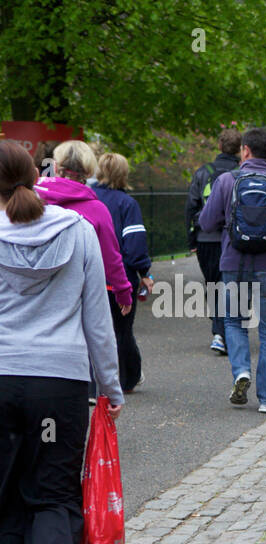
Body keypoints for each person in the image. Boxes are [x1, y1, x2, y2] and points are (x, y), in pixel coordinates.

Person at [0, 141, 123, 544]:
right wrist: (110, 388)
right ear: (38, 172)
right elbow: (98, 318)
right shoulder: (77, 231)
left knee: (5, 494)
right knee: (54, 494)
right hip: (61, 383)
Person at [197, 126, 266, 414]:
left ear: (245, 150)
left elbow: (207, 223)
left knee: (234, 322)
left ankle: (241, 372)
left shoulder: (226, 181)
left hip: (233, 266)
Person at [34, 141, 134, 320]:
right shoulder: (97, 210)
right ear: (89, 172)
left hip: (29, 293)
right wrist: (123, 291)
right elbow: (110, 257)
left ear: (55, 166)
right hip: (74, 298)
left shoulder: (30, 199)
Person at [91, 153, 152, 395]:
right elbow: (134, 244)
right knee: (122, 331)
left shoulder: (89, 198)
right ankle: (127, 379)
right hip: (119, 278)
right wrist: (144, 272)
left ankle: (93, 380)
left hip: (90, 276)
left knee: (92, 330)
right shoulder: (127, 204)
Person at [188, 128, 242, 355]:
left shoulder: (203, 172)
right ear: (241, 149)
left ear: (219, 146)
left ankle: (219, 330)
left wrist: (191, 237)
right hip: (234, 237)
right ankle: (225, 330)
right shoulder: (241, 173)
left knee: (213, 283)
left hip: (206, 238)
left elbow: (191, 206)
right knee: (231, 284)